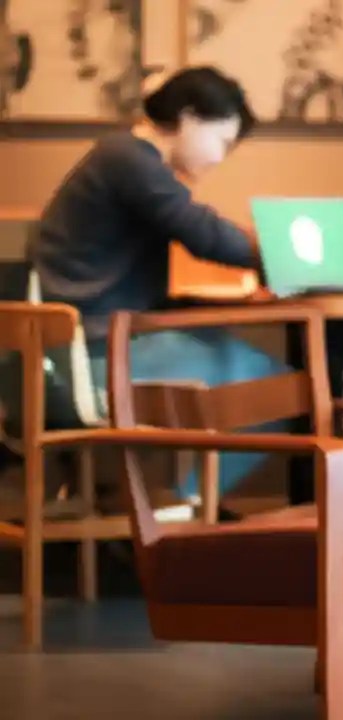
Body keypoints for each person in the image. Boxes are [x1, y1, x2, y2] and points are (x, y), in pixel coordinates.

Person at [24, 66, 285, 504]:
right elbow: (202, 232)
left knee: (241, 362)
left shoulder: (125, 159)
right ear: (187, 118)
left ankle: (165, 507)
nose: (221, 158)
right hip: (87, 358)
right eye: (222, 142)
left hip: (86, 345)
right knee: (274, 388)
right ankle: (175, 513)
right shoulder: (128, 159)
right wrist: (291, 258)